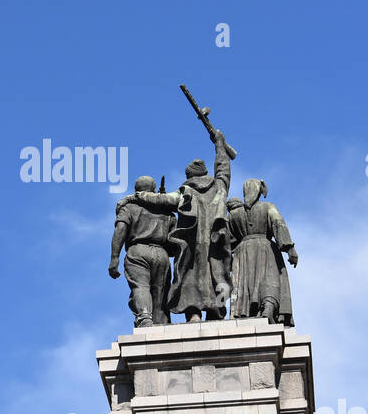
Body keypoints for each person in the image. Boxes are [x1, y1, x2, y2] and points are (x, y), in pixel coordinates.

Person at [117, 129, 233, 322]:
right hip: (214, 245)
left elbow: (161, 200)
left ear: (189, 176)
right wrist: (219, 145)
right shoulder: (219, 187)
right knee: (217, 275)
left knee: (190, 276)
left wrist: (133, 197)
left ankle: (193, 315)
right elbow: (223, 169)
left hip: (192, 246)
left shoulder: (185, 192)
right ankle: (214, 312)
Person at [227, 179, 298, 325]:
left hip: (242, 252)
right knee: (270, 279)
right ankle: (268, 309)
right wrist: (289, 248)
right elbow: (278, 222)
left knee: (245, 284)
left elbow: (226, 240)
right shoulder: (267, 207)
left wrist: (226, 261)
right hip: (266, 248)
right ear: (258, 191)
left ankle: (245, 312)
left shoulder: (233, 215)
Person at [109, 177, 176, 328]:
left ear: (136, 190)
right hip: (162, 254)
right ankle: (162, 323)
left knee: (141, 286)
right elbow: (174, 240)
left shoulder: (129, 207)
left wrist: (114, 257)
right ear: (153, 189)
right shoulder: (167, 211)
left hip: (137, 251)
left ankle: (145, 318)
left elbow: (120, 230)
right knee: (161, 292)